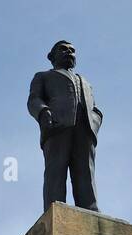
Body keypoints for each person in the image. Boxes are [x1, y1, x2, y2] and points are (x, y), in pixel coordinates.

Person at [28, 40, 103, 212]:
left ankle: (90, 208)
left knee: (86, 171)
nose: (69, 52)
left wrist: (96, 120)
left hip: (85, 129)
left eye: (72, 50)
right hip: (57, 126)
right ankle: (55, 206)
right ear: (52, 56)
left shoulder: (84, 81)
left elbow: (95, 106)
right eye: (63, 49)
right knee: (56, 169)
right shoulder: (43, 76)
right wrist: (43, 113)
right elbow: (33, 100)